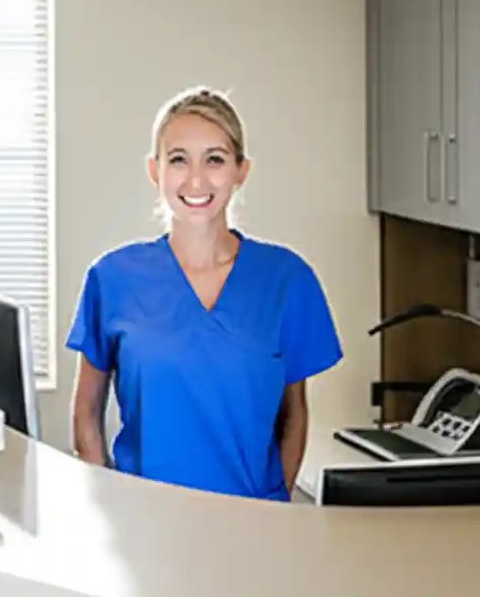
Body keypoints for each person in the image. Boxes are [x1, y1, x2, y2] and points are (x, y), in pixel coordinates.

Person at [67, 86, 342, 502]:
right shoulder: (113, 278)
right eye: (178, 159)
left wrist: (274, 508)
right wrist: (110, 504)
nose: (196, 179)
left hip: (252, 529)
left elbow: (293, 414)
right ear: (155, 170)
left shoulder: (287, 280)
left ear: (240, 170)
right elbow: (86, 411)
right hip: (146, 523)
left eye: (215, 159)